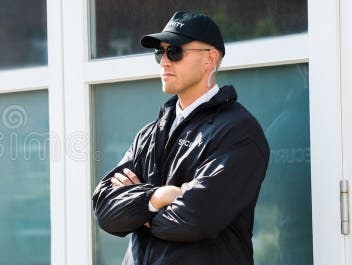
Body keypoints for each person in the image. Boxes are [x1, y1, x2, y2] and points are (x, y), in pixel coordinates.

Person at [91, 11, 270, 265]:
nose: (164, 61)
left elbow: (195, 220)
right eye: (159, 53)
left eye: (174, 51)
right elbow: (105, 211)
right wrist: (158, 198)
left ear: (210, 58)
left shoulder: (238, 132)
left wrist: (137, 209)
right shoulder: (149, 134)